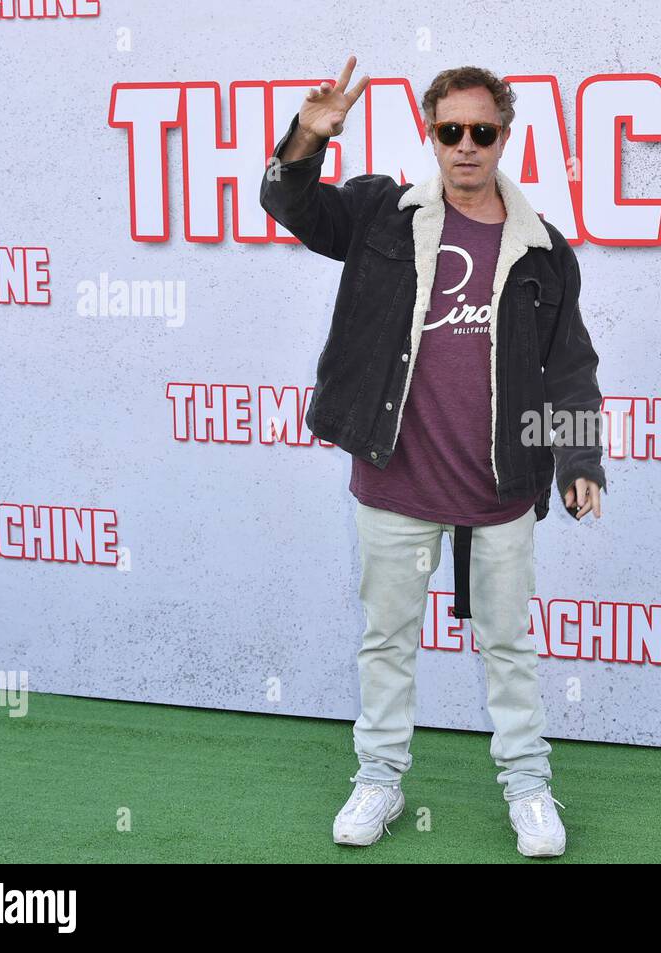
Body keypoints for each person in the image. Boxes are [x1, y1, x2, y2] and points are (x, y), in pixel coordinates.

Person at [259, 59, 607, 858]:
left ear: (505, 137)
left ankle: (528, 788)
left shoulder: (544, 250)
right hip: (395, 480)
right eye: (450, 130)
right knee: (386, 639)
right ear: (431, 133)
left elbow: (570, 367)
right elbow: (293, 203)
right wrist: (309, 135)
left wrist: (579, 458)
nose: (465, 146)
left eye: (482, 131)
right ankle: (379, 777)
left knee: (509, 645)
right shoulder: (384, 214)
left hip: (500, 488)